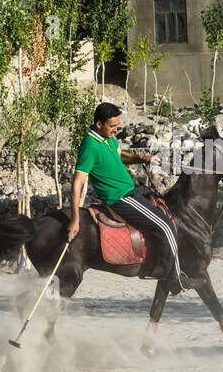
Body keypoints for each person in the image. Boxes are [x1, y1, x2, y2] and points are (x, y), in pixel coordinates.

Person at [68, 103, 194, 295]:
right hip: (120, 198)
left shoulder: (107, 138)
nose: (116, 129)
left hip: (133, 191)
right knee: (165, 224)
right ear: (99, 123)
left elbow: (121, 156)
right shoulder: (90, 146)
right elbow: (76, 184)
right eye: (112, 126)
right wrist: (75, 219)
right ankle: (175, 277)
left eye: (117, 125)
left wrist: (144, 159)